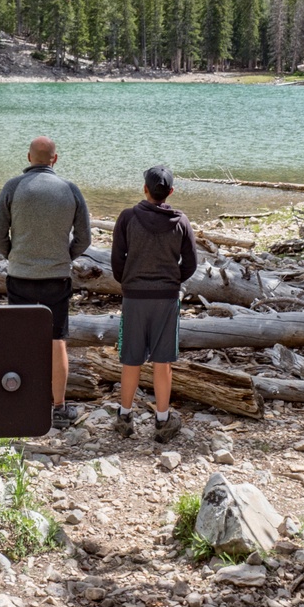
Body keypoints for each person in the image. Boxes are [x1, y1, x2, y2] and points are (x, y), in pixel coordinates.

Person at [0, 136, 92, 430]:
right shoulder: (70, 189)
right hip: (56, 278)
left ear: (28, 157)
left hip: (20, 277)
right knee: (57, 340)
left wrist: (15, 256)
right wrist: (64, 256)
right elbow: (85, 238)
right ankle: (58, 409)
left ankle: (18, 403)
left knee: (19, 340)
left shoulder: (13, 187)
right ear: (55, 159)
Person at [110, 165, 198, 442]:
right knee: (163, 361)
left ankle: (124, 418)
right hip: (166, 299)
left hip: (135, 297)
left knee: (131, 359)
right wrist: (172, 280)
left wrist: (130, 281)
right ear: (171, 192)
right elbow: (191, 264)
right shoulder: (181, 221)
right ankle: (162, 421)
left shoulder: (127, 218)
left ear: (144, 189)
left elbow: (116, 262)